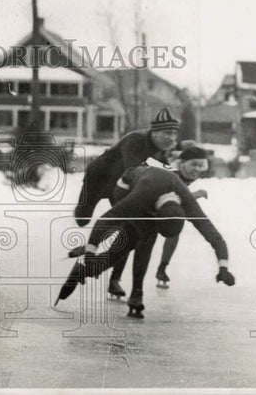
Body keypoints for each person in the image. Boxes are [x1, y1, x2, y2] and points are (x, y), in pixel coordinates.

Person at [56, 165, 235, 318]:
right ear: (156, 214)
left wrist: (224, 267)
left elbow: (214, 236)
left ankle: (87, 270)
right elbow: (106, 220)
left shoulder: (188, 203)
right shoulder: (141, 197)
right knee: (146, 235)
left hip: (152, 189)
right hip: (126, 186)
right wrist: (90, 249)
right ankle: (136, 293)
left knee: (126, 244)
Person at [73, 107, 193, 298]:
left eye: (174, 134)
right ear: (153, 132)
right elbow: (134, 169)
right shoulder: (135, 139)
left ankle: (114, 279)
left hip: (121, 186)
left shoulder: (164, 149)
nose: (172, 139)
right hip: (99, 179)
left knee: (130, 230)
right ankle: (94, 236)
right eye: (167, 133)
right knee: (82, 219)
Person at [107, 146, 210, 292]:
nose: (197, 170)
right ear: (182, 163)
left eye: (201, 166)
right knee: (130, 236)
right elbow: (174, 194)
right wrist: (193, 196)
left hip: (150, 198)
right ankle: (112, 277)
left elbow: (176, 196)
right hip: (132, 193)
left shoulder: (184, 171)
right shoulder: (171, 172)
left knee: (174, 226)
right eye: (194, 165)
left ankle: (161, 268)